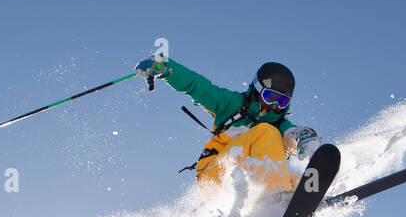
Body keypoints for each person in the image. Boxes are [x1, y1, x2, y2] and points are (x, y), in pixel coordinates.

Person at [135, 55, 320, 195]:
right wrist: (165, 68)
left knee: (294, 182)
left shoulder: (280, 123)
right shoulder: (231, 104)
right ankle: (276, 200)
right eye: (270, 97)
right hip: (215, 175)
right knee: (266, 132)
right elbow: (197, 86)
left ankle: (283, 208)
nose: (275, 106)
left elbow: (290, 135)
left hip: (245, 188)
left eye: (282, 102)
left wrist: (303, 136)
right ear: (257, 89)